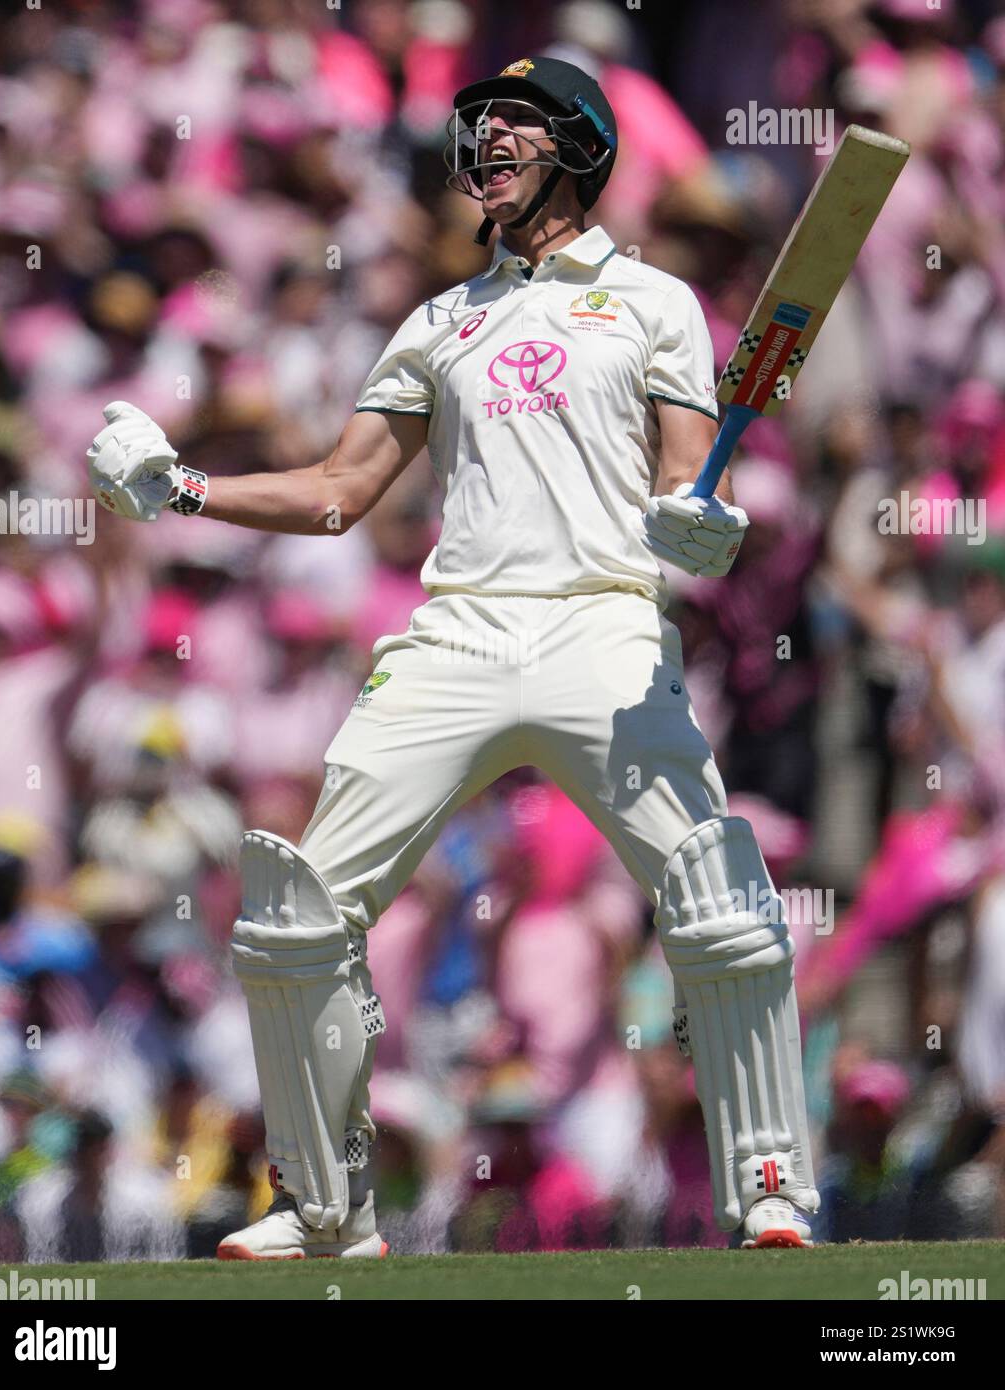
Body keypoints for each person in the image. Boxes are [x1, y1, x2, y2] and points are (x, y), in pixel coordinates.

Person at [85, 56, 818, 1257]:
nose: (486, 148)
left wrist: (703, 516)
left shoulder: (652, 301)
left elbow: (693, 472)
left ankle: (769, 1181)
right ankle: (327, 1211)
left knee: (717, 901)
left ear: (580, 147)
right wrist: (185, 486)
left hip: (600, 622)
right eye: (479, 131)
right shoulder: (439, 319)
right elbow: (338, 493)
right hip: (455, 634)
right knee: (293, 914)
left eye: (516, 130)